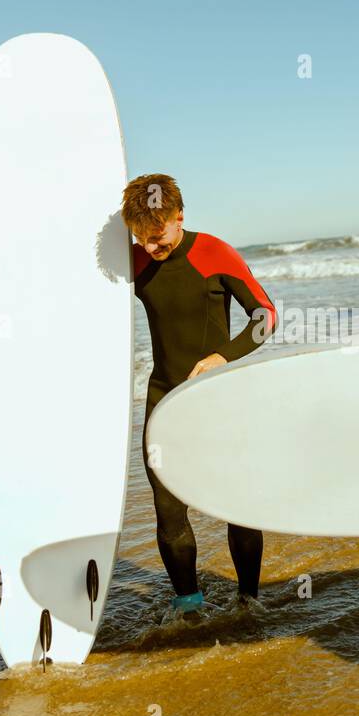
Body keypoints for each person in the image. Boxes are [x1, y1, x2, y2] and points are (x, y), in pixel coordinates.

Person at [123, 173, 277, 616]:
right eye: (141, 239)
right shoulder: (133, 260)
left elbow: (265, 317)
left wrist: (221, 358)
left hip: (218, 398)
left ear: (179, 217)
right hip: (163, 397)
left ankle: (248, 600)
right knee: (168, 508)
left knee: (238, 503)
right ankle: (188, 606)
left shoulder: (213, 252)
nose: (151, 248)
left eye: (157, 237)